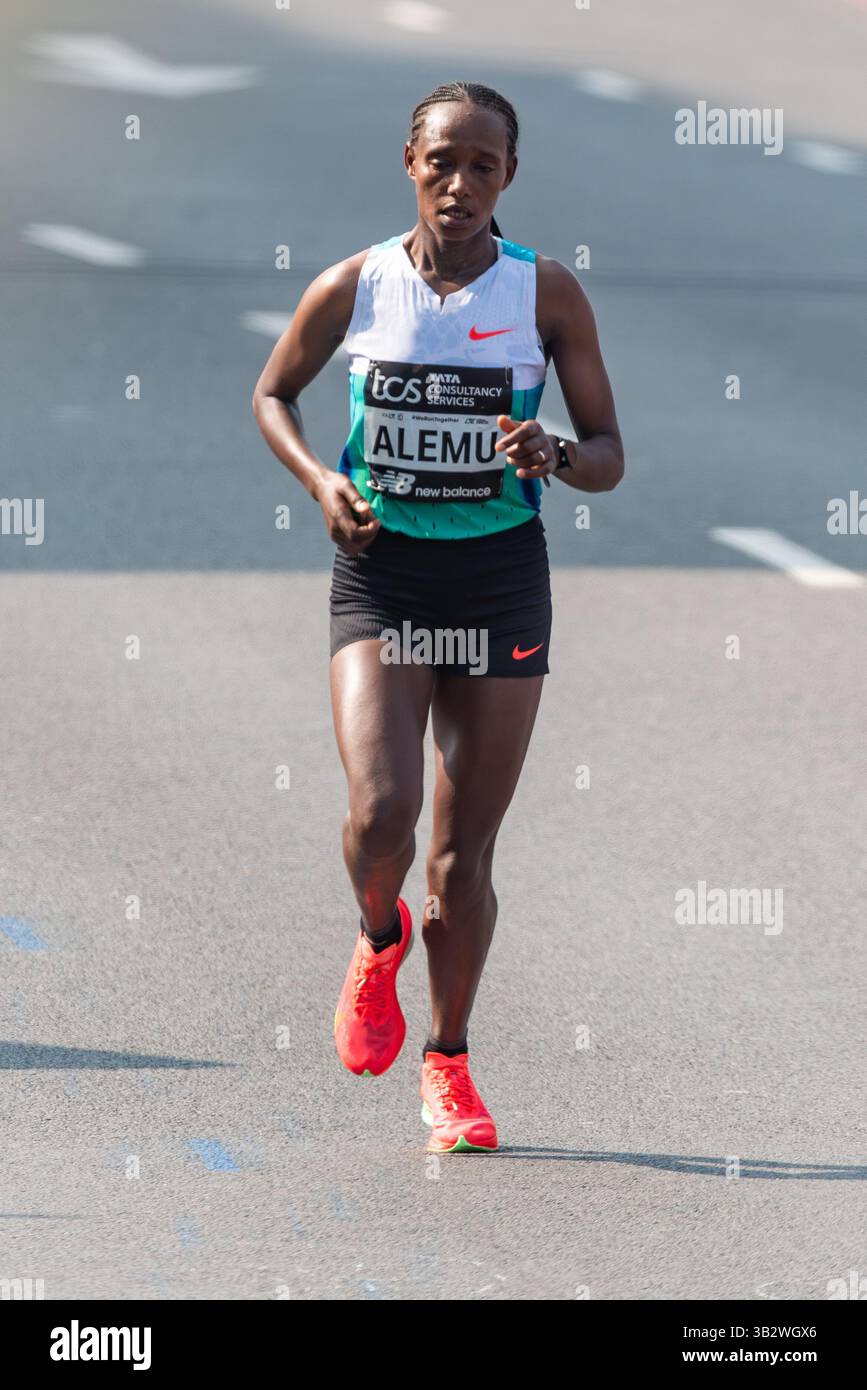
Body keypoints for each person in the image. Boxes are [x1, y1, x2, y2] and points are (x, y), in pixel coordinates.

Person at [253, 80, 623, 1153]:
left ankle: (449, 1061)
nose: (460, 185)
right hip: (386, 578)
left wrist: (554, 452)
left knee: (463, 858)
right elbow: (274, 391)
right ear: (407, 162)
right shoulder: (358, 283)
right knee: (381, 812)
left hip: (500, 580)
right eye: (442, 162)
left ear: (510, 178)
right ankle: (379, 940)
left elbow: (608, 453)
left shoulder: (543, 293)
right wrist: (324, 480)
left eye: (484, 167)